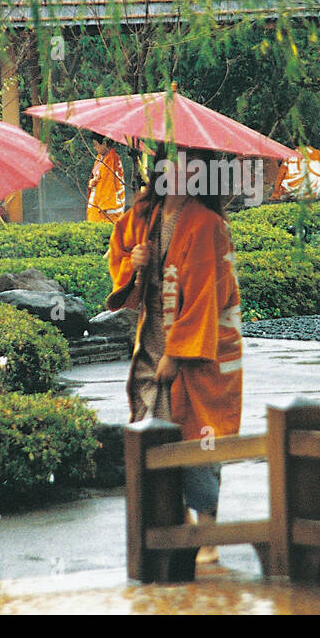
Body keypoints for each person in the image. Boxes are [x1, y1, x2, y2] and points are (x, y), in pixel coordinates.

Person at [106, 147, 243, 564]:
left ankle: (209, 531)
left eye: (188, 163)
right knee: (157, 428)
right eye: (171, 161)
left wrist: (178, 354)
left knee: (199, 433)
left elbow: (206, 294)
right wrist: (135, 262)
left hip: (201, 351)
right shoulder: (144, 215)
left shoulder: (207, 224)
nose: (177, 170)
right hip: (151, 340)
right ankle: (176, 521)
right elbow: (120, 262)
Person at [86, 134, 126, 223]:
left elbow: (108, 185)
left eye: (96, 145)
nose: (94, 148)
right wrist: (92, 182)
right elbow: (97, 177)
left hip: (106, 207)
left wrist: (102, 207)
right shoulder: (100, 158)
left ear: (104, 144)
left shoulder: (112, 159)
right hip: (98, 202)